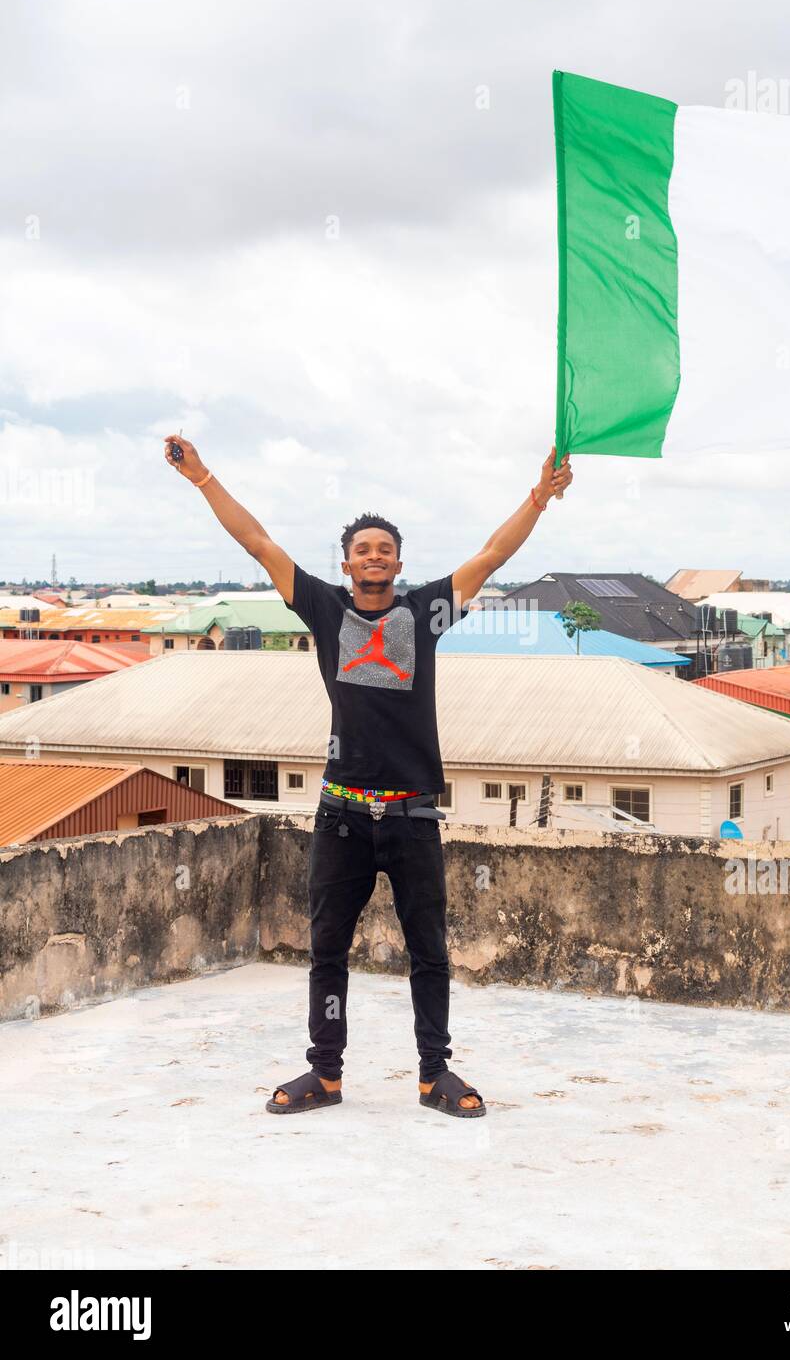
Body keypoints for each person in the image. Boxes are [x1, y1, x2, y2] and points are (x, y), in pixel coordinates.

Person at [165, 433, 573, 1117]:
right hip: (342, 815)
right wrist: (203, 477)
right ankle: (324, 1076)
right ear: (347, 563)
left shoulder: (427, 611)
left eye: (385, 548)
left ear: (399, 562)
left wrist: (538, 496)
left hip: (412, 813)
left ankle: (432, 1075)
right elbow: (257, 543)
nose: (374, 556)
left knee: (429, 954)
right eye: (363, 549)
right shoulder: (325, 609)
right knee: (327, 953)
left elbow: (494, 554)